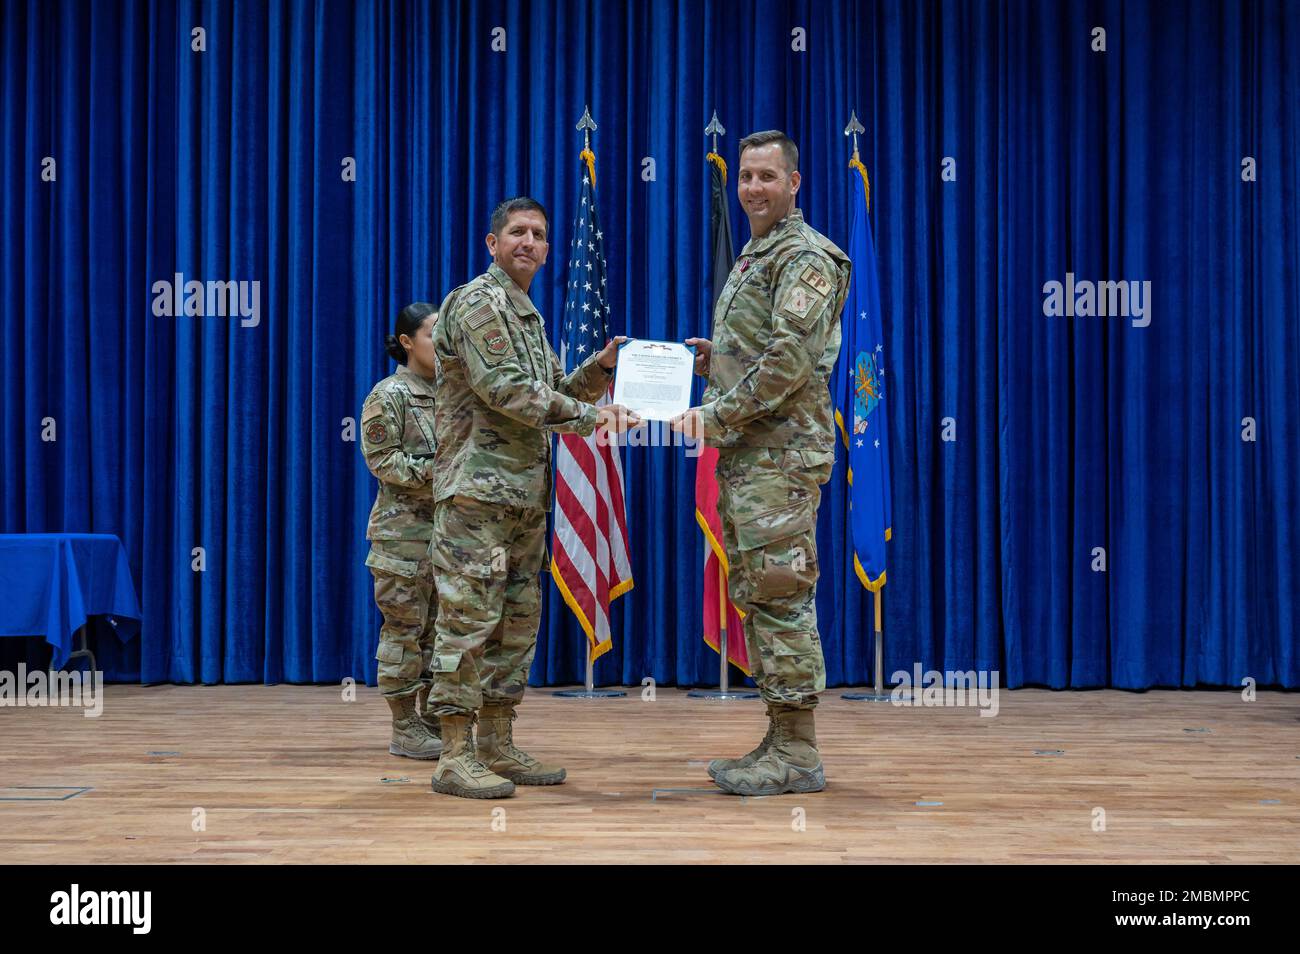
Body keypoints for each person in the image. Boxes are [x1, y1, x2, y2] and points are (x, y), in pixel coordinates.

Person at [426, 196, 638, 799]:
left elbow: (549, 392)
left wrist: (599, 371)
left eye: (539, 235)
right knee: (468, 622)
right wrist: (590, 415)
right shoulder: (477, 303)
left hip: (522, 496)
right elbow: (506, 391)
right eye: (516, 232)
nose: (529, 242)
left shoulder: (527, 315)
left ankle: (495, 742)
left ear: (547, 249)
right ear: (492, 243)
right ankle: (453, 753)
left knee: (516, 624)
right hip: (476, 496)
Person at [670, 130, 851, 796]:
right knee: (761, 595)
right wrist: (712, 362)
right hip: (753, 457)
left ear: (794, 183)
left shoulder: (805, 256)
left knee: (781, 595)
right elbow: (761, 354)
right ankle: (780, 739)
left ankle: (799, 752)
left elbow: (788, 365)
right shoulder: (757, 252)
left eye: (767, 177)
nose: (752, 188)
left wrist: (713, 415)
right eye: (745, 176)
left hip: (778, 456)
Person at [361, 301, 444, 760]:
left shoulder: (454, 392)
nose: (442, 343)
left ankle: (434, 719)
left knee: (439, 635)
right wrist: (444, 470)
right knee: (404, 633)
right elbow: (383, 461)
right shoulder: (388, 395)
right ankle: (404, 726)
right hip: (402, 539)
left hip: (450, 538)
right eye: (433, 334)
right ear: (408, 341)